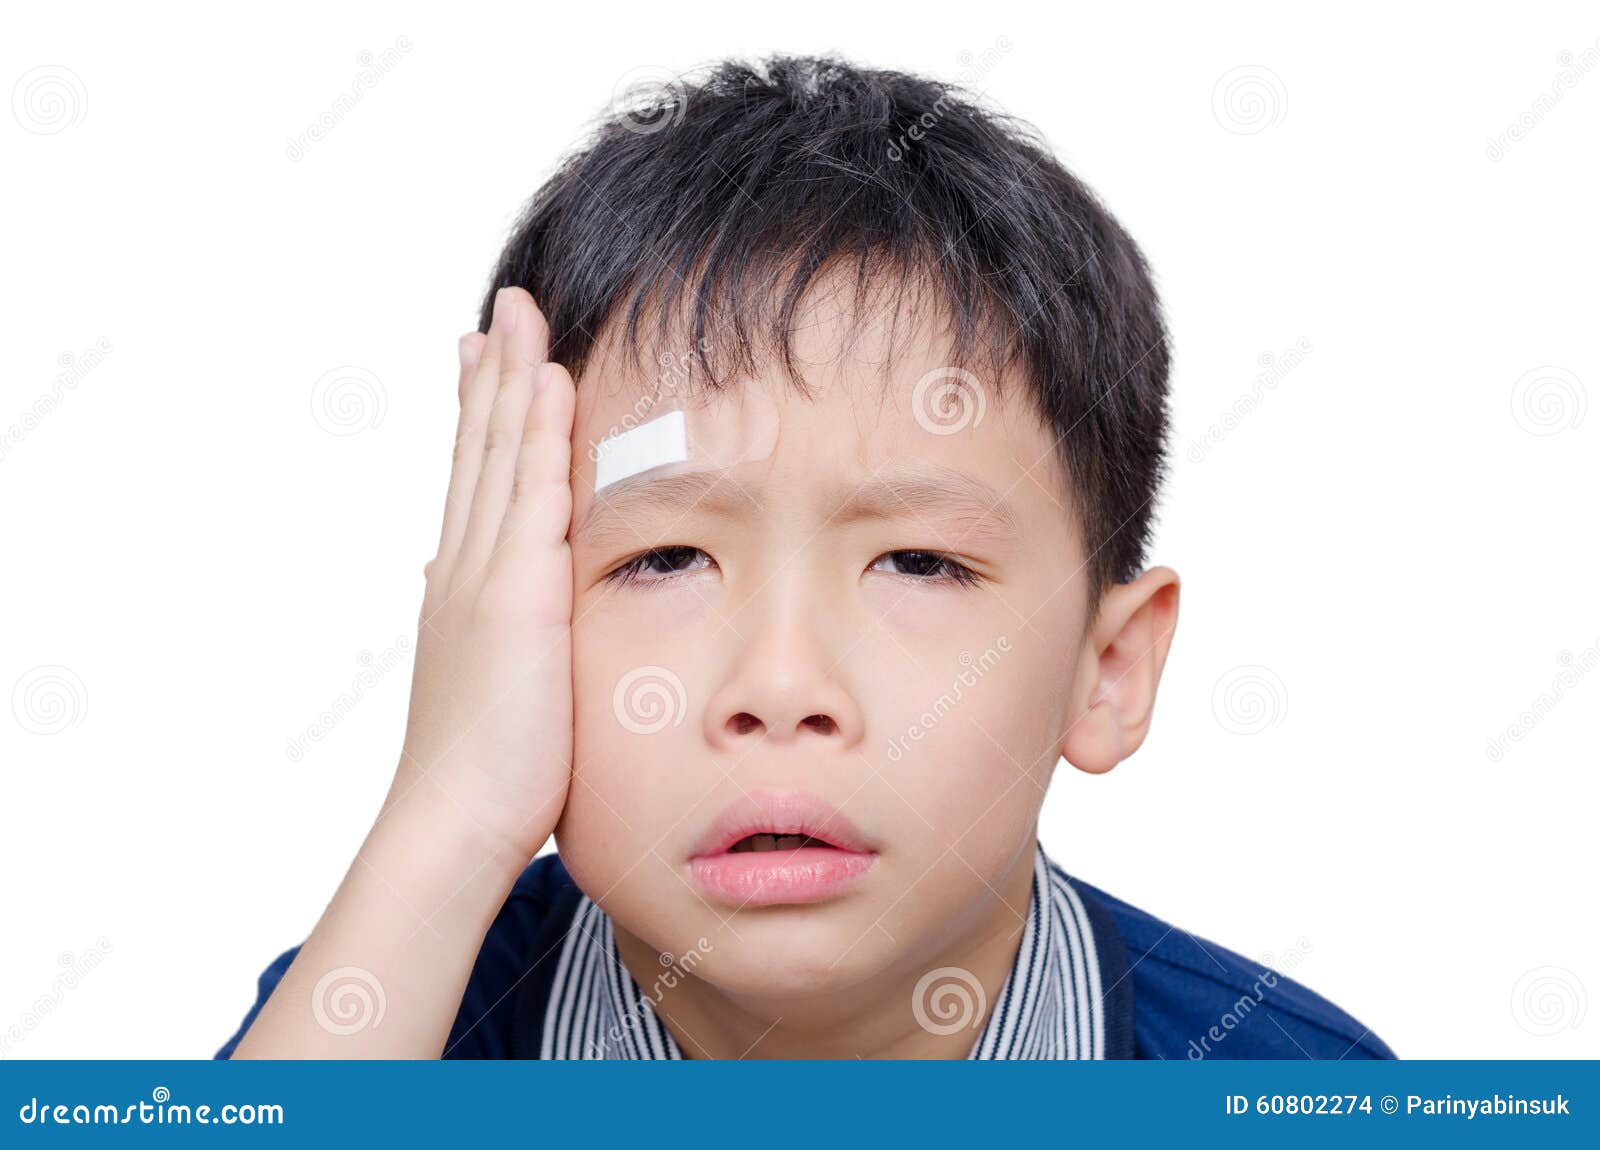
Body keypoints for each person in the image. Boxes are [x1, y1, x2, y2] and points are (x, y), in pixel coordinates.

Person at [220, 54, 1394, 1060]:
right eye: (666, 556)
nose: (779, 688)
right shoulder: (378, 1016)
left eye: (919, 564)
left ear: (1111, 668)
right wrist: (451, 811)